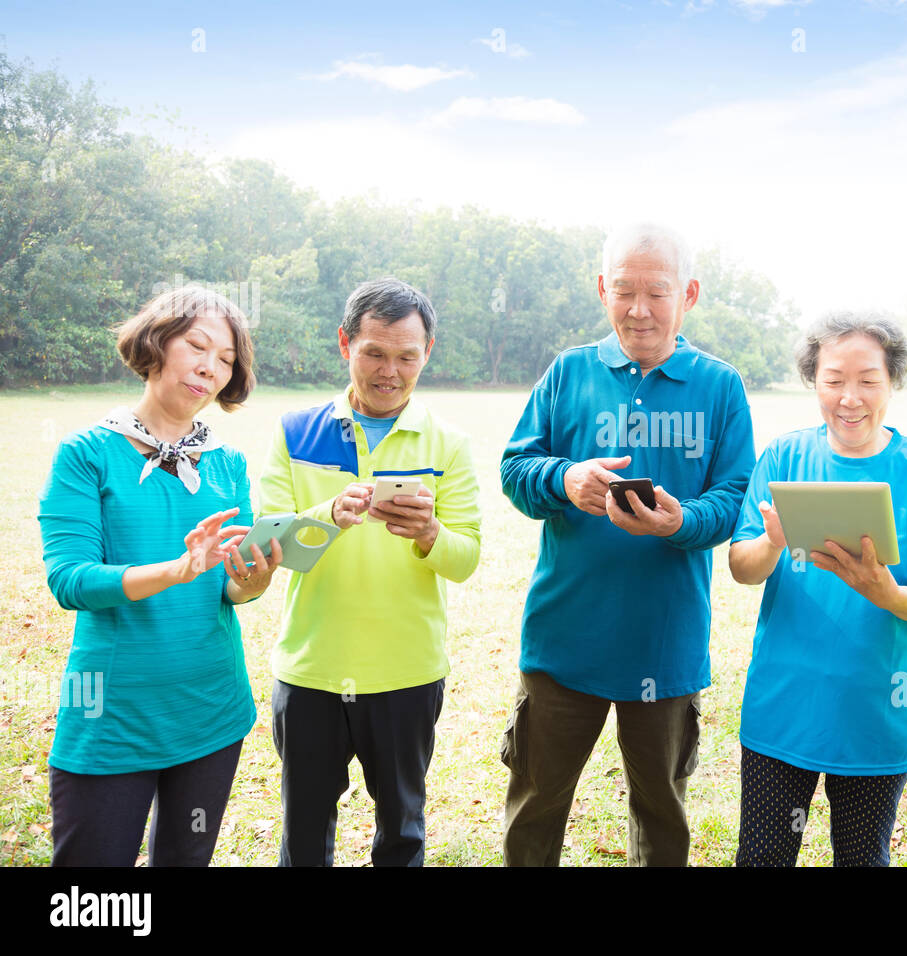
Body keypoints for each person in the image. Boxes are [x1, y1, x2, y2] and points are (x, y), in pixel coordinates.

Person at [498, 222, 756, 866]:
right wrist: (565, 477)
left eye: (657, 292)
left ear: (688, 294)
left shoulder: (720, 386)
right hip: (563, 641)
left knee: (661, 814)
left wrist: (680, 522)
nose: (638, 309)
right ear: (601, 289)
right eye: (623, 291)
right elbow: (514, 471)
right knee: (535, 807)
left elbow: (735, 500)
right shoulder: (569, 373)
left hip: (665, 644)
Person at [38, 285, 279, 866]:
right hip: (107, 709)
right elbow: (70, 581)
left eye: (226, 359)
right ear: (156, 342)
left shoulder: (228, 463)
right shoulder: (85, 453)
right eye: (198, 346)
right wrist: (174, 569)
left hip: (212, 706)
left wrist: (254, 579)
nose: (210, 367)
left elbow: (230, 585)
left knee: (185, 860)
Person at [728, 312, 907, 866]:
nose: (850, 397)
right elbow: (742, 568)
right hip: (783, 709)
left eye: (868, 380)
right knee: (762, 858)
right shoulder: (783, 458)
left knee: (863, 858)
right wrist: (772, 543)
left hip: (876, 713)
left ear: (892, 382)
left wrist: (885, 592)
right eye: (833, 379)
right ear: (812, 381)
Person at [258, 277, 480, 867]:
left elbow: (467, 559)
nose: (390, 371)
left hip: (407, 672)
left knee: (402, 831)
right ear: (344, 344)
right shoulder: (293, 431)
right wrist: (327, 515)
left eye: (407, 356)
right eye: (374, 353)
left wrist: (432, 536)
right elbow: (272, 550)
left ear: (427, 352)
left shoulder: (449, 444)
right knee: (304, 833)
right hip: (311, 671)